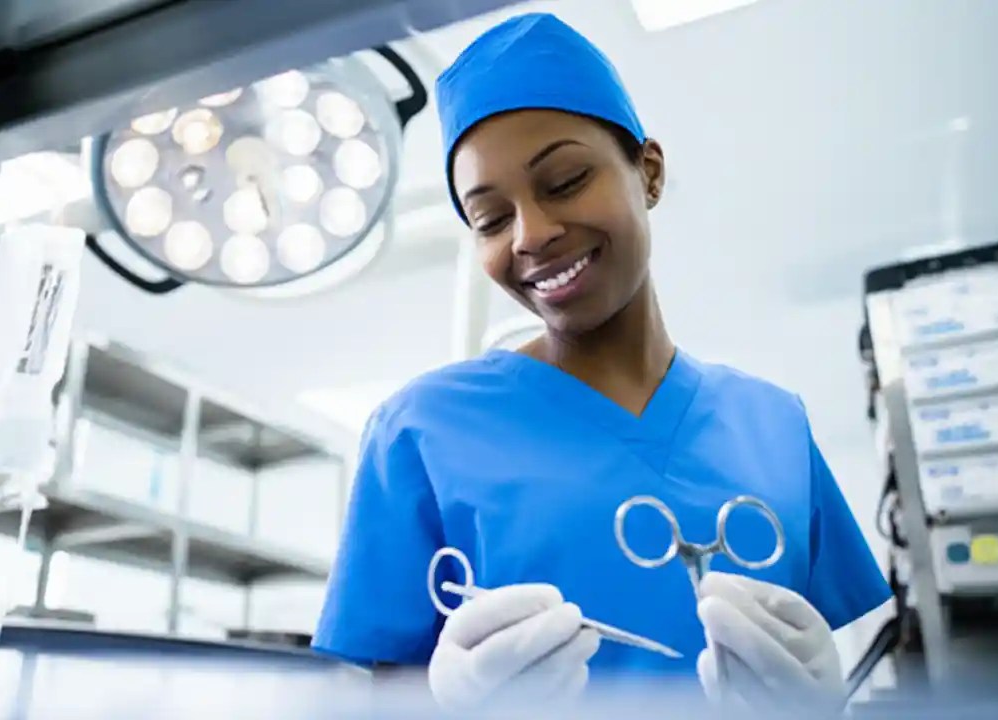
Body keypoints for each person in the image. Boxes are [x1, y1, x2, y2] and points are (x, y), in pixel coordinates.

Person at [312, 11, 891, 713]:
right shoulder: (418, 431)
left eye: (563, 181)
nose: (534, 234)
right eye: (491, 218)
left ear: (648, 172)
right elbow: (375, 702)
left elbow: (838, 656)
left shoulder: (773, 424)